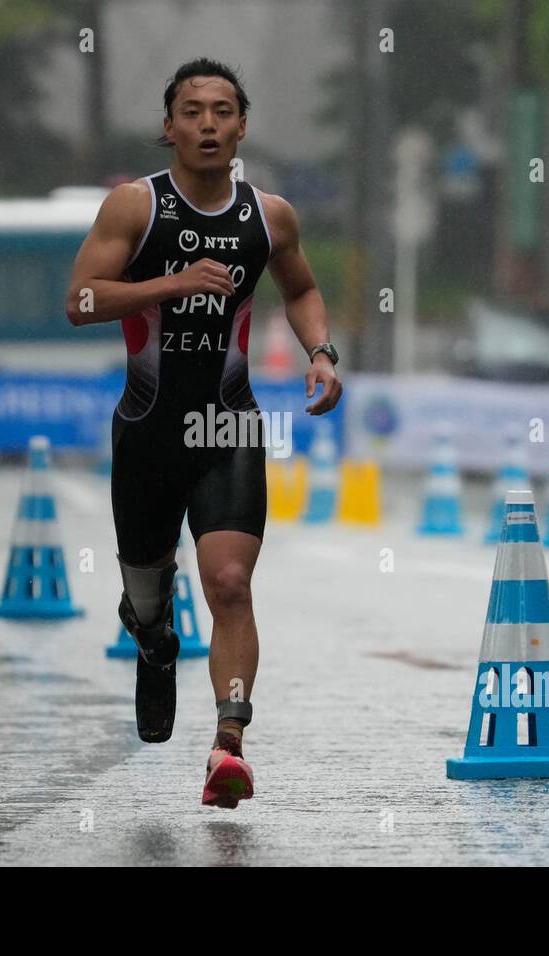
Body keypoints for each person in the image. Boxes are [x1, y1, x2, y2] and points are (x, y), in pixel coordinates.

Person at [66, 58, 342, 808]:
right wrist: (173, 282)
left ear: (242, 126)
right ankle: (154, 644)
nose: (209, 124)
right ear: (169, 127)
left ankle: (229, 744)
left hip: (227, 422)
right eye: (193, 111)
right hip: (148, 431)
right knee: (150, 600)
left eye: (223, 111)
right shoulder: (133, 208)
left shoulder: (269, 216)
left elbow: (304, 288)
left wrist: (321, 353)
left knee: (229, 582)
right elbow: (82, 299)